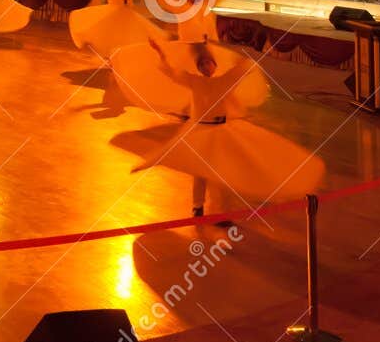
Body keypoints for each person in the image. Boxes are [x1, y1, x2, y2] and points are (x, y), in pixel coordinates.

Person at [130, 39, 323, 216]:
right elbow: (172, 73)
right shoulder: (194, 81)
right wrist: (160, 53)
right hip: (199, 131)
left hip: (219, 131)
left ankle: (223, 210)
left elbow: (242, 70)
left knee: (223, 173)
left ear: (214, 65)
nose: (207, 66)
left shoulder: (223, 81)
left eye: (209, 63)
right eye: (203, 64)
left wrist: (239, 58)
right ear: (200, 67)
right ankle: (198, 207)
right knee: (200, 172)